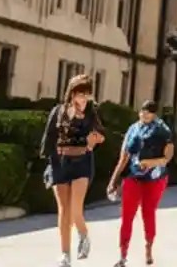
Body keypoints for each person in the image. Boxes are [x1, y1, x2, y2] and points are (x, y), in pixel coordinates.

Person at [41, 74, 106, 267]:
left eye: (86, 94)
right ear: (71, 94)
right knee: (64, 210)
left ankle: (83, 235)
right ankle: (65, 254)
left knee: (76, 209)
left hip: (82, 162)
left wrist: (95, 139)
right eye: (80, 94)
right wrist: (49, 161)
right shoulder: (58, 112)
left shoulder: (91, 114)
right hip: (60, 162)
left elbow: (101, 134)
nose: (83, 99)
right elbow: (49, 137)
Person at [107, 100, 174, 267]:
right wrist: (113, 179)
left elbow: (167, 158)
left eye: (149, 112)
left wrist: (150, 163)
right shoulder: (133, 129)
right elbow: (124, 157)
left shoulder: (163, 131)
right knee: (127, 215)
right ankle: (123, 255)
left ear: (154, 114)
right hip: (133, 175)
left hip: (155, 178)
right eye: (143, 111)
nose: (144, 114)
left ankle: (149, 247)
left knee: (148, 212)